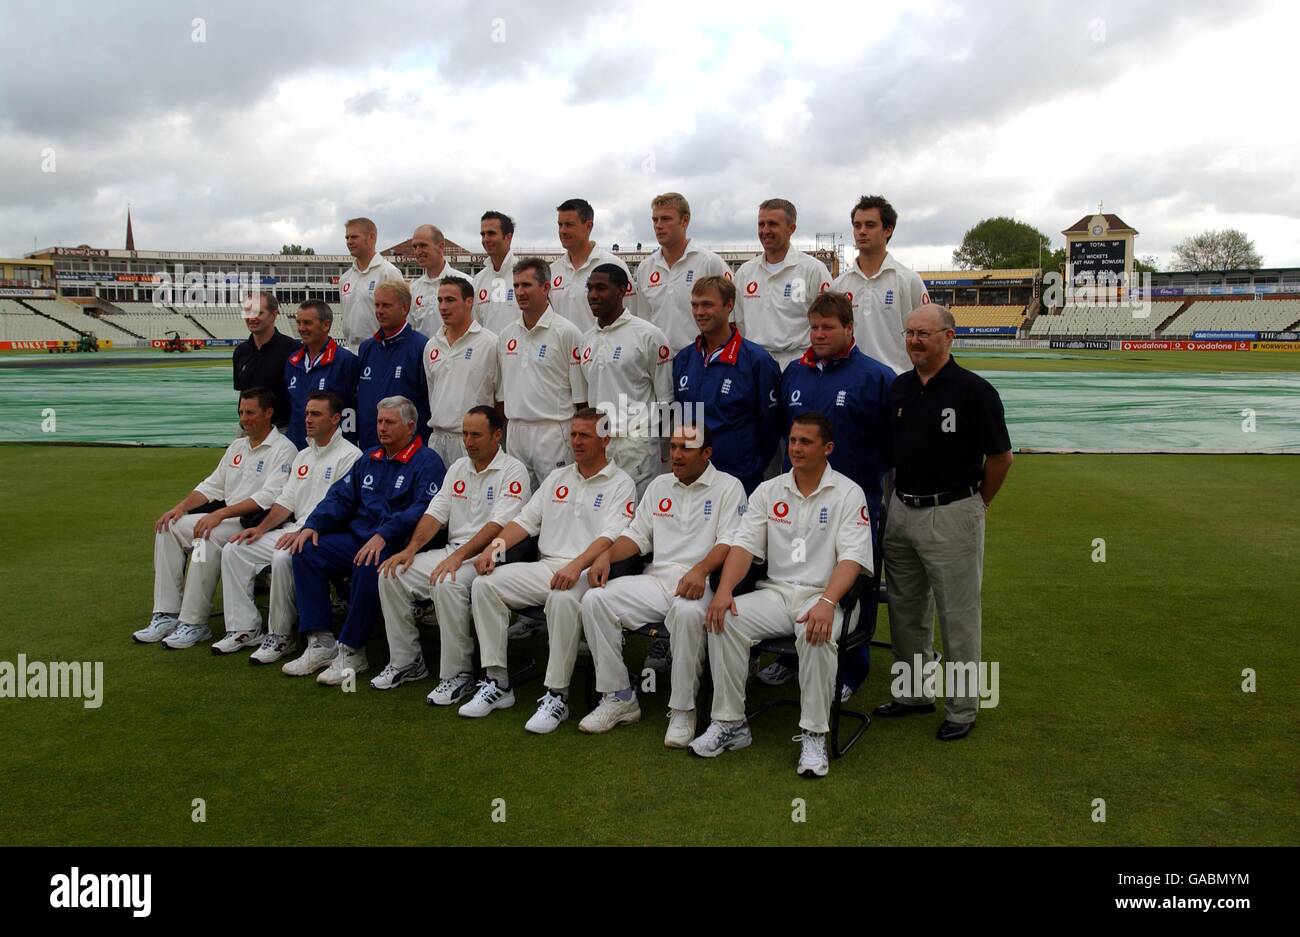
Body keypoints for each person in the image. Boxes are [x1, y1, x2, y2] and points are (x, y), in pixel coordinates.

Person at [692, 412, 873, 779]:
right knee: (724, 616)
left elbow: (852, 560)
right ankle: (730, 724)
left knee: (815, 631)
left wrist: (826, 603)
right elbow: (743, 548)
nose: (795, 448)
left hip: (827, 598)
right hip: (777, 594)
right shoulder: (768, 491)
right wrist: (724, 591)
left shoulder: (849, 493)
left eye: (806, 442)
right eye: (792, 440)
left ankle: (813, 734)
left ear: (828, 448)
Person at [877, 304, 1012, 742]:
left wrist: (976, 506)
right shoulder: (898, 389)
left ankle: (962, 709)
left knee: (958, 615)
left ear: (949, 338)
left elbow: (1000, 458)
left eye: (925, 334)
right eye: (910, 333)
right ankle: (914, 694)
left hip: (952, 511)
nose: (915, 341)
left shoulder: (975, 391)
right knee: (905, 610)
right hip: (902, 511)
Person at [463, 409, 636, 733]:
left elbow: (610, 537)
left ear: (605, 439)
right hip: (547, 567)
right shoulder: (558, 478)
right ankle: (497, 683)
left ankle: (557, 696)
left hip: (588, 574)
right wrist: (492, 550)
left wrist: (576, 566)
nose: (576, 442)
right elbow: (524, 522)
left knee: (561, 599)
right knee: (484, 585)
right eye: (572, 435)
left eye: (584, 435)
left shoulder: (621, 484)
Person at [759, 291, 894, 695]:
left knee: (853, 585)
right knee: (792, 576)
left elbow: (890, 444)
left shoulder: (877, 376)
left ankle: (851, 669)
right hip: (797, 503)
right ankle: (789, 657)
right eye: (814, 327)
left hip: (854, 502)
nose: (818, 334)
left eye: (827, 327)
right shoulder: (795, 374)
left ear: (849, 328)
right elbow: (783, 433)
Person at [578, 424, 745, 746]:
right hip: (657, 580)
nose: (676, 455)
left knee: (686, 614)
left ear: (706, 453)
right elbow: (637, 537)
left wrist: (700, 570)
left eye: (686, 448)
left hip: (705, 583)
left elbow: (731, 541)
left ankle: (683, 709)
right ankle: (619, 697)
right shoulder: (659, 485)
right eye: (673, 447)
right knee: (595, 600)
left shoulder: (728, 487)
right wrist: (605, 556)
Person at [280, 396, 446, 685]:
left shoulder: (427, 461)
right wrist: (312, 524)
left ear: (410, 427)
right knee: (306, 549)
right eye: (379, 421)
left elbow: (423, 508)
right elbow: (340, 497)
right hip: (357, 538)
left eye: (389, 422)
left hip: (396, 544)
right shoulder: (370, 457)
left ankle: (353, 649)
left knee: (369, 565)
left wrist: (385, 534)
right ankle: (320, 641)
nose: (381, 427)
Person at [375, 406, 531, 700]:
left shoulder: (514, 470)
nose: (468, 441)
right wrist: (410, 550)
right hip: (452, 552)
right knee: (391, 573)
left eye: (476, 435)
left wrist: (457, 558)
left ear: (497, 435)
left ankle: (459, 675)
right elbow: (436, 514)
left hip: (490, 558)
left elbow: (497, 525)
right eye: (465, 434)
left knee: (447, 582)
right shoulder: (459, 467)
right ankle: (408, 661)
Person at [133, 388, 297, 648]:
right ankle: (166, 614)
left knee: (204, 536)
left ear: (268, 413)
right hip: (228, 520)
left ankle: (194, 623)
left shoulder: (284, 449)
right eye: (241, 412)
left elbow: (269, 497)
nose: (244, 418)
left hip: (257, 524)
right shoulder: (237, 446)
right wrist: (181, 507)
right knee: (169, 527)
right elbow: (213, 485)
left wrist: (219, 513)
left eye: (251, 412)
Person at [218, 391, 362, 661]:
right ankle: (244, 628)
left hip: (324, 534)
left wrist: (302, 531)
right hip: (293, 528)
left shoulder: (350, 456)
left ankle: (281, 637)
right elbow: (286, 501)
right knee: (235, 548)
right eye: (307, 413)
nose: (308, 419)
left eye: (316, 414)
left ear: (335, 419)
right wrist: (261, 529)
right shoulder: (304, 456)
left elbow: (341, 509)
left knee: (283, 556)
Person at [672, 275, 781, 494]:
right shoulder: (683, 359)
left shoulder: (756, 360)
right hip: (693, 480)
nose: (699, 312)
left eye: (707, 305)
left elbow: (771, 425)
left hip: (741, 479)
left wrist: (752, 461)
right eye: (695, 305)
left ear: (729, 305)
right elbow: (676, 414)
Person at [577, 264, 672, 498]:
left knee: (636, 524)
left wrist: (663, 452)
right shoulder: (587, 340)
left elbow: (666, 400)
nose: (593, 295)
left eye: (601, 288)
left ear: (622, 291)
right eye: (590, 288)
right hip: (600, 445)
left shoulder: (649, 335)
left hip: (637, 447)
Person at [496, 257, 587, 490]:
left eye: (526, 285)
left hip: (553, 432)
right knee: (516, 506)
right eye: (515, 285)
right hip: (516, 431)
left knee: (556, 505)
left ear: (546, 287)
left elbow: (581, 399)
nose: (519, 292)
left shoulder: (567, 333)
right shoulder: (506, 336)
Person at [833, 195, 930, 375]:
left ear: (888, 230)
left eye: (870, 225)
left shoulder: (909, 280)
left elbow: (928, 335)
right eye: (857, 225)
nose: (861, 231)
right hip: (851, 383)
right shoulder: (838, 285)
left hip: (897, 381)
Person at [733, 199, 833, 370]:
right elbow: (738, 323)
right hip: (755, 365)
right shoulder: (744, 272)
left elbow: (830, 322)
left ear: (791, 228)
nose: (765, 230)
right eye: (761, 224)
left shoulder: (813, 269)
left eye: (772, 224)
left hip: (800, 365)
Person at [632, 193, 730, 354]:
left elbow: (730, 316)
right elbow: (644, 322)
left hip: (700, 360)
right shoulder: (645, 268)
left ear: (685, 220)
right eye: (655, 220)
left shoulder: (709, 262)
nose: (658, 225)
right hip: (658, 360)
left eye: (666, 219)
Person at [422, 278, 500, 468]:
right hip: (438, 440)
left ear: (469, 302)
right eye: (440, 300)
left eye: (450, 300)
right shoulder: (432, 345)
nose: (443, 306)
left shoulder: (490, 343)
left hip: (472, 441)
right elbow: (433, 393)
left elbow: (500, 399)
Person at [355, 280, 431, 451]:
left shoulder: (421, 347)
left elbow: (429, 403)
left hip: (409, 454)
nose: (380, 311)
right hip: (370, 451)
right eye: (377, 305)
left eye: (386, 305)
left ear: (404, 308)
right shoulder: (367, 348)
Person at [547, 198, 633, 333]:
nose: (562, 231)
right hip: (563, 352)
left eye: (569, 225)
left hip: (601, 352)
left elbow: (632, 315)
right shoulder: (553, 270)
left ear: (588, 226)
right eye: (560, 225)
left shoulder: (614, 265)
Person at [283, 300, 359, 449]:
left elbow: (353, 409)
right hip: (296, 451)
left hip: (332, 452)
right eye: (299, 322)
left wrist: (347, 444)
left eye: (307, 323)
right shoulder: (292, 361)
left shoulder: (345, 361)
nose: (301, 328)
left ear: (326, 325)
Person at [338, 217, 405, 351]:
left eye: (354, 237)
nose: (349, 242)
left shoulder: (388, 272)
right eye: (347, 238)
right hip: (352, 352)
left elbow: (403, 316)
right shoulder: (345, 278)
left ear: (371, 237)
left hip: (382, 350)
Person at [233, 292, 296, 431]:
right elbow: (242, 393)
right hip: (246, 429)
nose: (251, 318)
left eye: (259, 313)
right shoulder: (240, 352)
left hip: (281, 430)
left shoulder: (292, 349)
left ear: (273, 315)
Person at [408, 224, 474, 338]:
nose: (418, 251)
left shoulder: (468, 283)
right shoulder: (413, 289)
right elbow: (412, 327)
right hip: (425, 354)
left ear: (441, 246)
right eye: (415, 247)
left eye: (423, 245)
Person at [473, 211, 518, 334]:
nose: (485, 239)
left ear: (508, 237)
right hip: (488, 352)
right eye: (483, 234)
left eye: (491, 233)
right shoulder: (478, 280)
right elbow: (475, 324)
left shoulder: (525, 275)